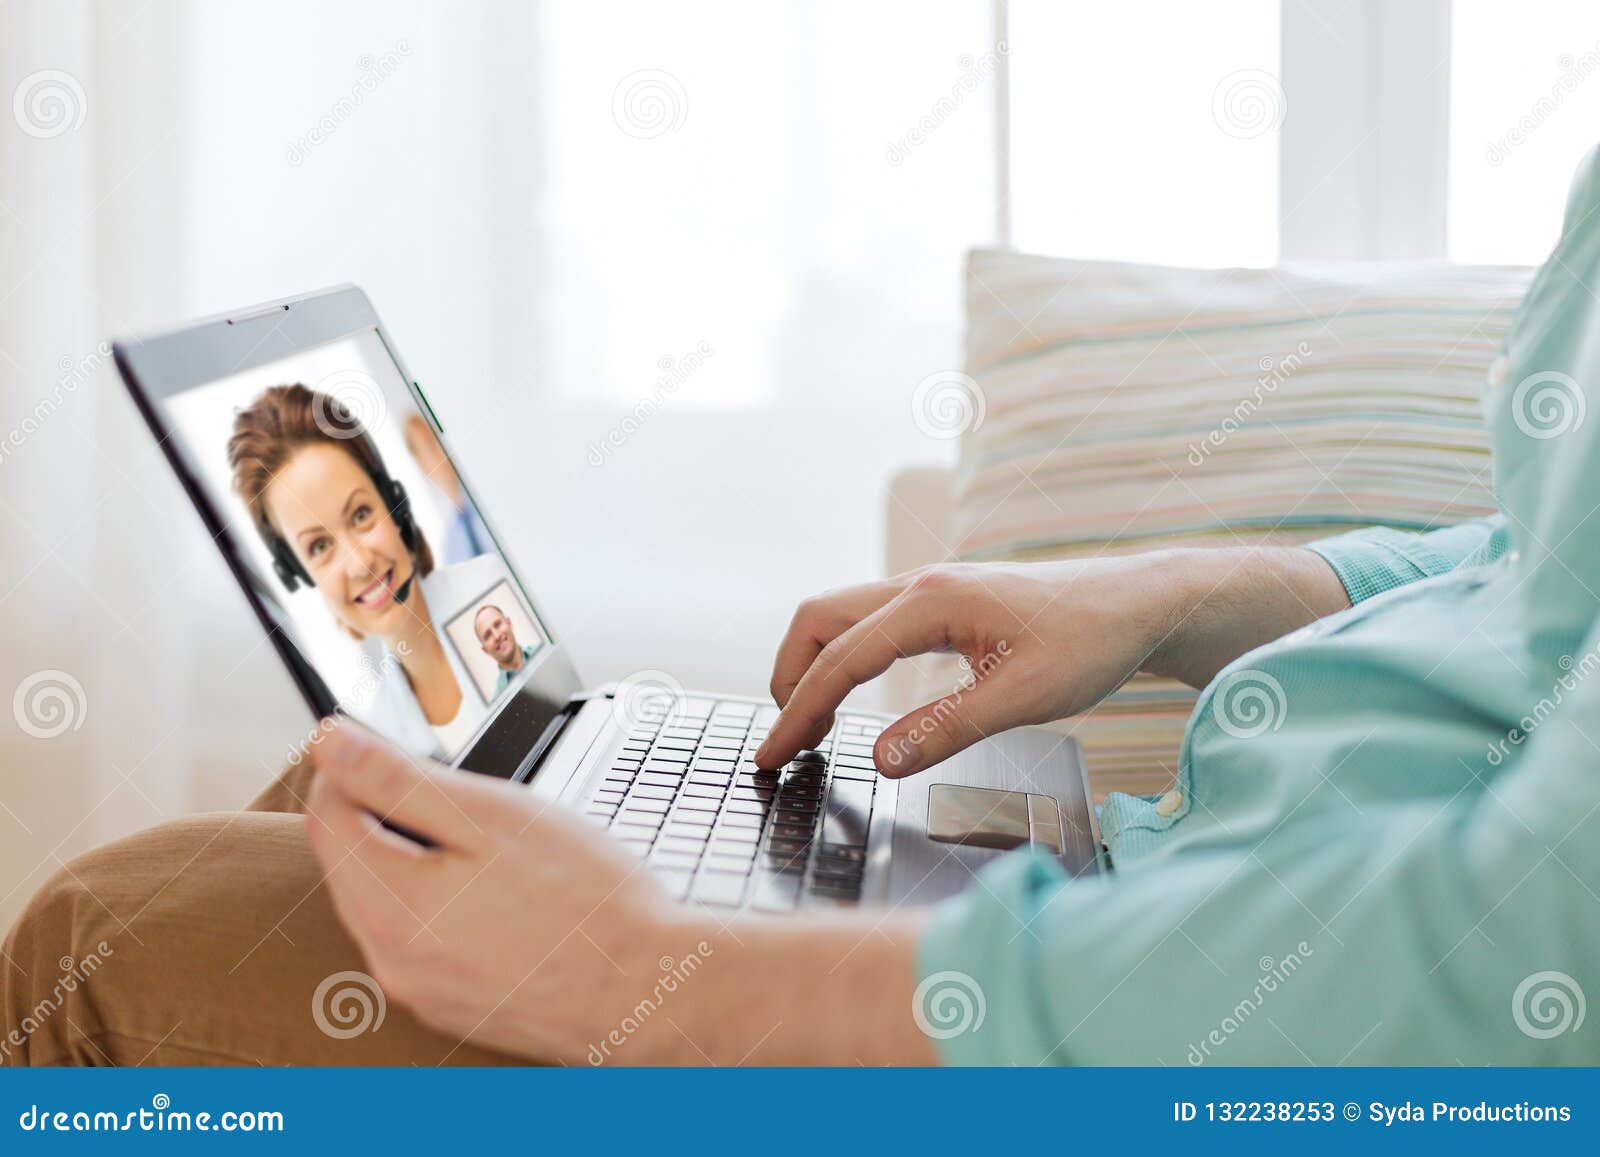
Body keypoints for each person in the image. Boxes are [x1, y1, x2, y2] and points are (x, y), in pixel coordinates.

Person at [6, 149, 1600, 1067]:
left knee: (122, 925)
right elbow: (1535, 568)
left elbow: (1529, 957)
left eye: (369, 512)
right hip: (1163, 895)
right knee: (365, 813)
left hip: (1155, 1040)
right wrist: (1178, 590)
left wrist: (666, 970)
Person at [230, 385, 502, 758]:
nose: (359, 565)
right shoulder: (382, 733)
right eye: (320, 547)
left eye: (361, 515)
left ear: (393, 502)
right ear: (301, 574)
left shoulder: (493, 592)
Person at [473, 604, 538, 698]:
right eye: (488, 635)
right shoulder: (498, 702)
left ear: (509, 623)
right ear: (485, 650)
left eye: (497, 624)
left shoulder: (547, 650)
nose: (496, 636)